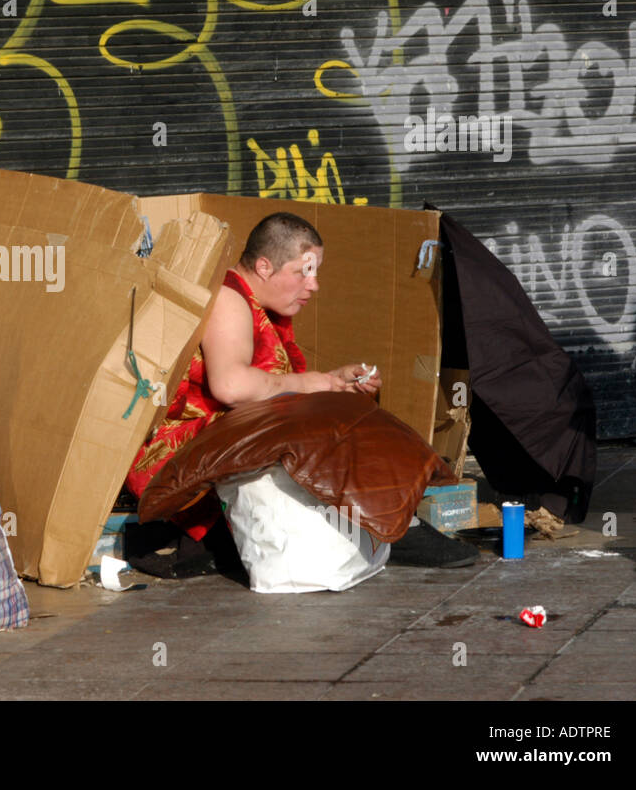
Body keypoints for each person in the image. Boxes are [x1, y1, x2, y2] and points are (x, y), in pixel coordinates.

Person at [125, 211, 474, 574]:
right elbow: (231, 386)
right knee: (321, 421)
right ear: (263, 266)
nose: (314, 285)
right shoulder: (229, 300)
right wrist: (314, 384)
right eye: (303, 272)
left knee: (339, 410)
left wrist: (334, 381)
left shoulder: (255, 302)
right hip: (182, 449)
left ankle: (391, 517)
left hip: (227, 433)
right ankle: (393, 527)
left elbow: (270, 384)